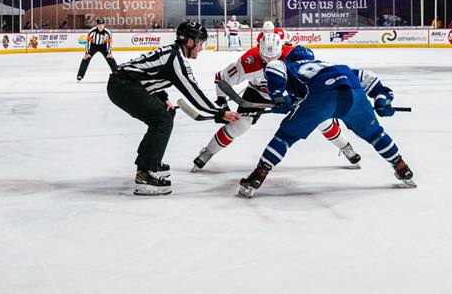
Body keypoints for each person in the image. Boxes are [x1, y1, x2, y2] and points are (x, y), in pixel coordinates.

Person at [238, 55, 414, 197]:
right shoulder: (327, 64)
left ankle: (259, 173)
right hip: (352, 91)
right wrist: (383, 99)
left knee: (285, 136)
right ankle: (401, 166)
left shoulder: (290, 65)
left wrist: (278, 95)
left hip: (321, 95)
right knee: (376, 134)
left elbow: (273, 67)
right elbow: (369, 77)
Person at [192, 24, 360, 171]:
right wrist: (222, 104)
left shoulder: (295, 57)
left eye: (275, 59)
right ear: (259, 52)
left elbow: (314, 78)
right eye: (265, 59)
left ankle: (345, 147)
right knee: (240, 125)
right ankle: (208, 151)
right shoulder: (249, 61)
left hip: (289, 93)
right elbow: (221, 79)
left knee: (321, 119)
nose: (270, 63)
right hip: (258, 93)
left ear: (281, 51)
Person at [106, 21, 240, 195]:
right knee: (162, 120)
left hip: (126, 83)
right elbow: (194, 93)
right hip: (123, 86)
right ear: (190, 42)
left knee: (166, 114)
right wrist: (220, 113)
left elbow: (147, 73)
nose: (201, 48)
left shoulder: (172, 53)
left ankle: (150, 162)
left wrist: (164, 98)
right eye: (200, 43)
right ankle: (145, 174)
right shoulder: (175, 60)